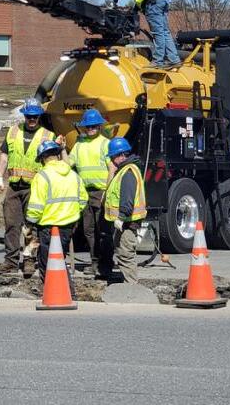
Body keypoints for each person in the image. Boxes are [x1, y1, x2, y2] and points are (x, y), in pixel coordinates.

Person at [0, 98, 63, 276]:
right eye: (29, 116)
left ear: (40, 116)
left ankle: (30, 260)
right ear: (25, 115)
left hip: (35, 187)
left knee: (31, 226)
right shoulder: (13, 132)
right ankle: (11, 260)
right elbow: (4, 155)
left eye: (35, 116)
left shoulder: (48, 135)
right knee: (11, 224)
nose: (32, 119)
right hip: (14, 186)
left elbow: (54, 161)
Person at [25, 140, 87, 296]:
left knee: (48, 262)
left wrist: (30, 222)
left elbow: (36, 204)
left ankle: (55, 292)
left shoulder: (42, 176)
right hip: (68, 224)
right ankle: (66, 292)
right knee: (60, 258)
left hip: (48, 225)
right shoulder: (73, 174)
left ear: (43, 158)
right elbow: (83, 199)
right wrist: (72, 214)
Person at [67, 108, 112, 277]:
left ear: (99, 126)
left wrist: (108, 192)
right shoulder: (79, 145)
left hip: (101, 192)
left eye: (94, 125)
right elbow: (68, 164)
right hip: (85, 193)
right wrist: (62, 149)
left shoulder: (105, 144)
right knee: (88, 230)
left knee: (103, 230)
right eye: (88, 126)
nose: (91, 128)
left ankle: (105, 264)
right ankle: (94, 262)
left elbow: (112, 168)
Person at [101, 137, 147, 283]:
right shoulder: (124, 170)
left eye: (112, 157)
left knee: (126, 254)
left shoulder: (127, 172)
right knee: (122, 252)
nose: (112, 161)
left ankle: (132, 287)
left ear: (120, 155)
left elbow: (127, 198)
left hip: (127, 222)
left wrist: (121, 217)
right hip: (126, 222)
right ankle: (129, 285)